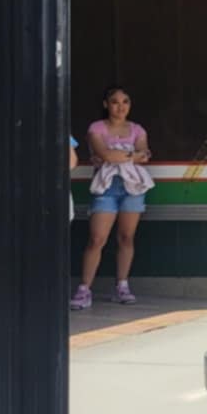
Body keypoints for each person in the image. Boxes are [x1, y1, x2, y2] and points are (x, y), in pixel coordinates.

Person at [72, 86, 154, 309]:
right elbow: (104, 154)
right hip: (106, 186)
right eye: (115, 102)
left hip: (132, 186)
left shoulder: (137, 129)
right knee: (97, 238)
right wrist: (130, 155)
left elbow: (145, 155)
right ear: (106, 104)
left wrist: (121, 156)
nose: (120, 107)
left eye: (125, 102)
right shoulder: (97, 128)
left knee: (126, 237)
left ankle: (122, 285)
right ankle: (84, 289)